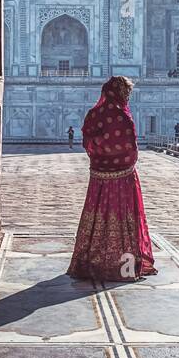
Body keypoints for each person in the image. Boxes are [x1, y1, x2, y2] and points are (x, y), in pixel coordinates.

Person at [68, 75, 156, 282]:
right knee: (122, 216)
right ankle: (123, 265)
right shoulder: (122, 116)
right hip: (123, 178)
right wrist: (124, 163)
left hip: (98, 176)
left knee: (98, 214)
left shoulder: (94, 114)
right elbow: (130, 148)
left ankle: (91, 261)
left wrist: (101, 159)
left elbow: (88, 142)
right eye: (127, 93)